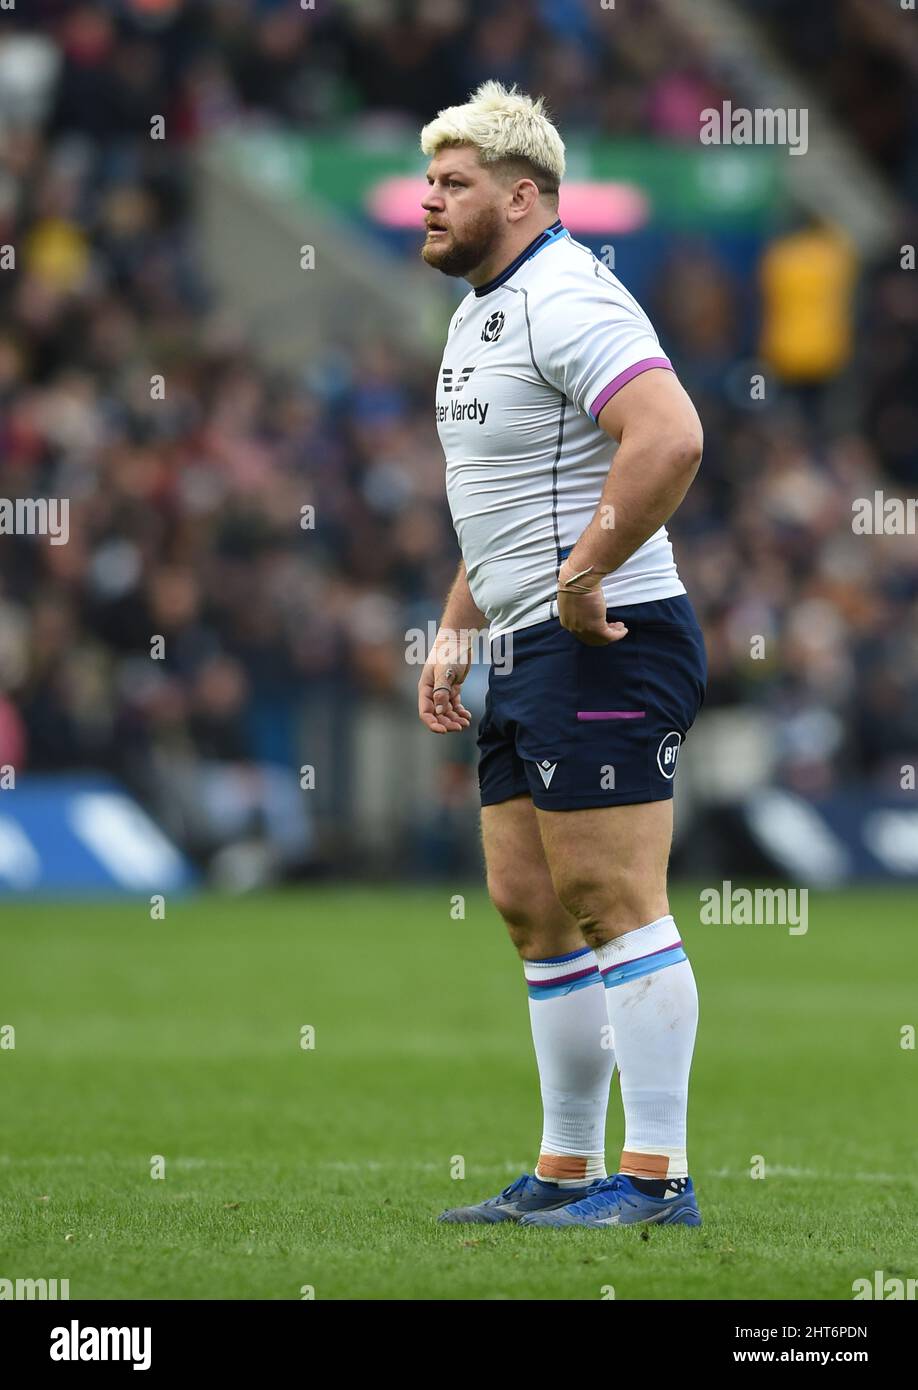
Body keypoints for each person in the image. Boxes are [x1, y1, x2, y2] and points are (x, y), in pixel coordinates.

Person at [417, 82, 707, 1228]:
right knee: (533, 905)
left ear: (524, 194)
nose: (429, 202)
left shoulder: (568, 296)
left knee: (613, 896)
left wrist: (583, 574)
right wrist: (459, 624)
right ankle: (567, 1171)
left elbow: (671, 433)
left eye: (455, 184)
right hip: (528, 638)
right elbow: (499, 500)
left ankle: (659, 1179)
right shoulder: (480, 308)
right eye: (429, 182)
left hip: (607, 638)